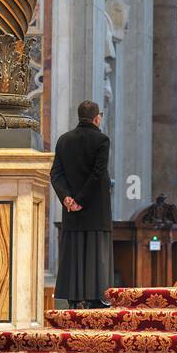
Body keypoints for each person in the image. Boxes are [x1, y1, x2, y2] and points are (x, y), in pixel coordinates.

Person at [51, 100, 113, 308]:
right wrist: (81, 200)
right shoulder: (102, 140)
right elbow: (97, 174)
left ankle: (73, 299)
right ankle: (96, 297)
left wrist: (67, 198)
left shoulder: (63, 140)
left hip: (71, 208)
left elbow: (56, 174)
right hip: (94, 206)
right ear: (97, 118)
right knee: (96, 251)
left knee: (73, 251)